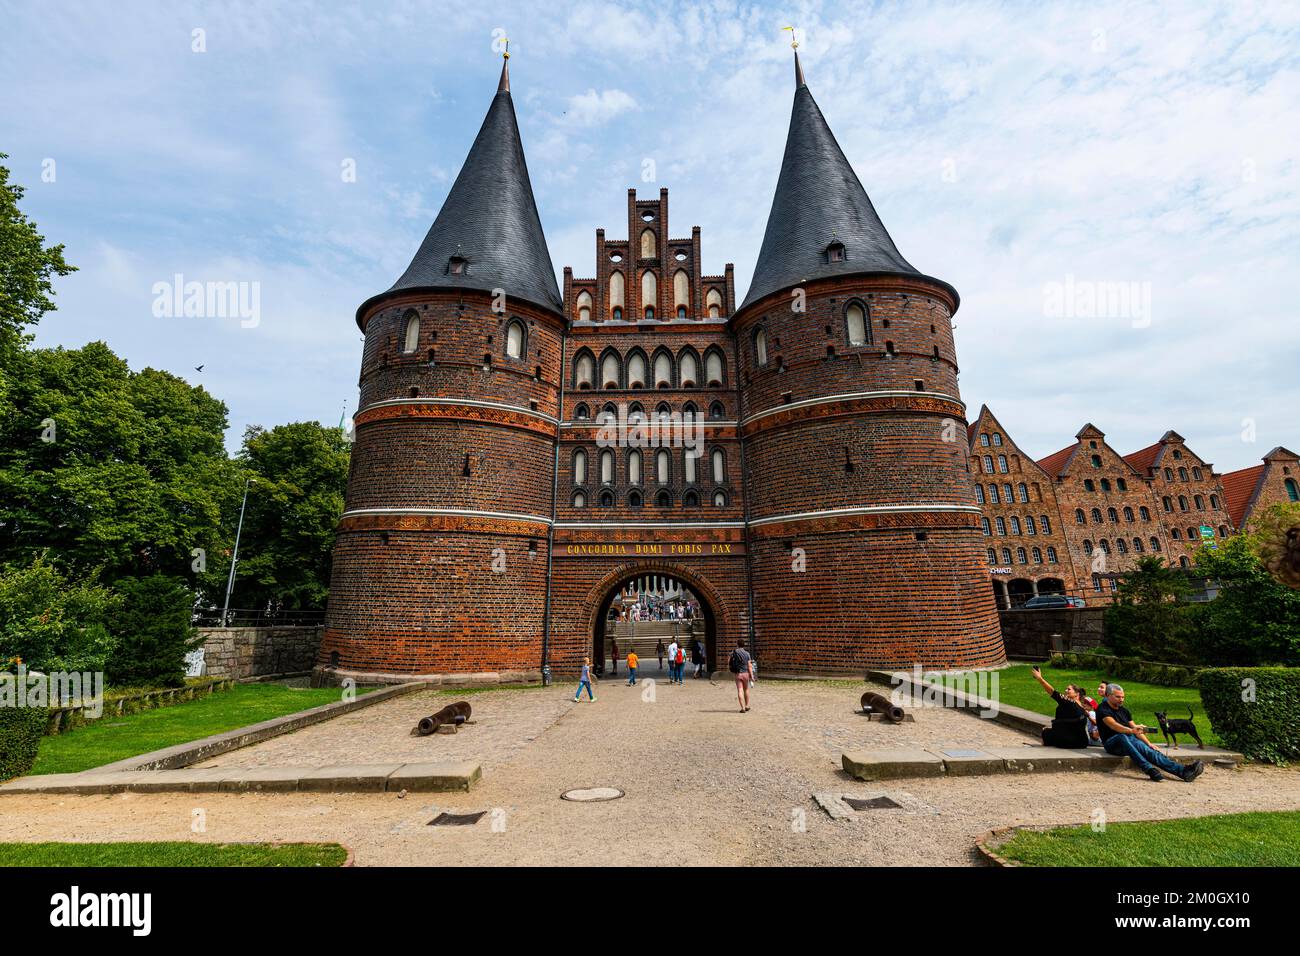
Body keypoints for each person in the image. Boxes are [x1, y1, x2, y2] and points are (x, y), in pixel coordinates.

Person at [1096, 683, 1204, 782]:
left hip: (1129, 740)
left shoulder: (1124, 711)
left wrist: (1149, 743)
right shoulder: (1102, 709)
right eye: (1118, 697)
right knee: (1122, 736)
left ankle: (1183, 771)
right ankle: (1148, 769)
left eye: (1123, 697)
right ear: (1108, 696)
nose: (1121, 699)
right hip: (1112, 743)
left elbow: (1135, 729)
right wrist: (1131, 731)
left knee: (1149, 751)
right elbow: (1113, 725)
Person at [1029, 666, 1089, 748]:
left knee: (1045, 731)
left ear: (1077, 694)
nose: (1065, 691)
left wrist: (1040, 679)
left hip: (1068, 741)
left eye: (1069, 689)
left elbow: (1053, 692)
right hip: (1082, 742)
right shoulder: (1082, 708)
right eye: (1066, 689)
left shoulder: (1069, 702)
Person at [729, 639, 753, 712]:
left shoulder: (733, 652)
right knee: (746, 690)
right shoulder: (747, 654)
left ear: (737, 644)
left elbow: (729, 662)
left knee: (740, 690)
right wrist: (752, 676)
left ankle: (742, 708)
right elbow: (749, 666)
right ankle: (747, 706)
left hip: (738, 674)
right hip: (746, 674)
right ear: (744, 645)